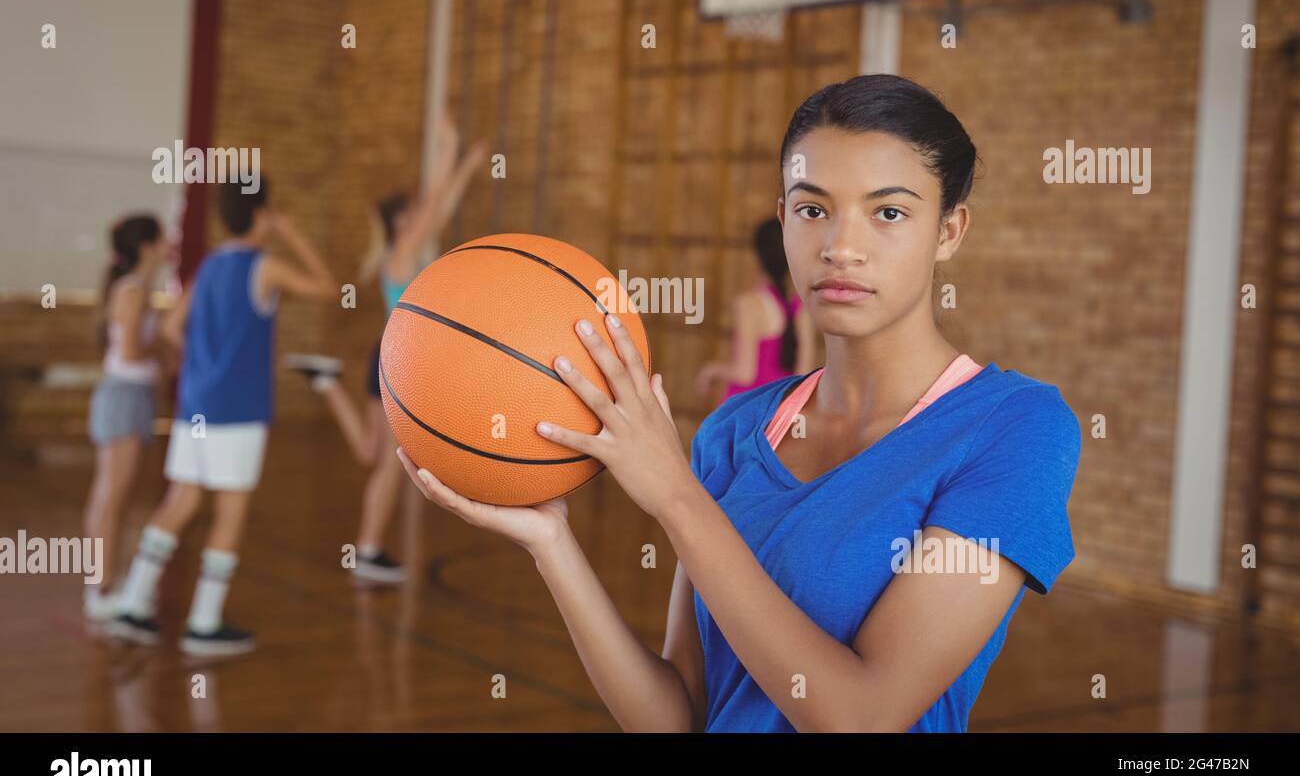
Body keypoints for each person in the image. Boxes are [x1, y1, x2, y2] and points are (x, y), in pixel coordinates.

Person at [393, 73, 1082, 732]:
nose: (841, 247)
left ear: (950, 231)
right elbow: (677, 717)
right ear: (783, 220)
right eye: (813, 209)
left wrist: (676, 498)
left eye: (889, 213)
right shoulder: (734, 432)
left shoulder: (1014, 428)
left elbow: (861, 718)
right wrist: (552, 543)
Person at [112, 175, 336, 656]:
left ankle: (132, 602)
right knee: (229, 512)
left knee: (181, 501)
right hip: (237, 410)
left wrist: (210, 359)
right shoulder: (266, 265)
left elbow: (172, 327)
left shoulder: (209, 266)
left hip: (196, 404)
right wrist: (291, 233)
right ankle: (204, 624)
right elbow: (328, 287)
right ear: (261, 215)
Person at [287, 116, 487, 583]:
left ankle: (326, 383)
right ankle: (369, 549)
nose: (426, 215)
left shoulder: (405, 252)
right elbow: (438, 203)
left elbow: (441, 204)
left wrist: (465, 165)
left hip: (386, 356)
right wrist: (451, 149)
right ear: (403, 222)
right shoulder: (403, 252)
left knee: (370, 454)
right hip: (400, 362)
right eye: (415, 212)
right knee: (393, 464)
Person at [82, 214, 171, 623]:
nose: (170, 242)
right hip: (123, 395)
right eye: (163, 238)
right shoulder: (132, 291)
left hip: (132, 396)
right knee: (111, 497)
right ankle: (100, 589)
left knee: (115, 495)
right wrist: (165, 345)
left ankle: (104, 584)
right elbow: (134, 351)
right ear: (148, 246)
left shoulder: (138, 289)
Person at [695, 218, 817, 405]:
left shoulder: (750, 304)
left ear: (758, 256)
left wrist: (711, 370)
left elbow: (745, 374)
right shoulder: (801, 308)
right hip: (780, 414)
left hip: (746, 410)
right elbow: (803, 375)